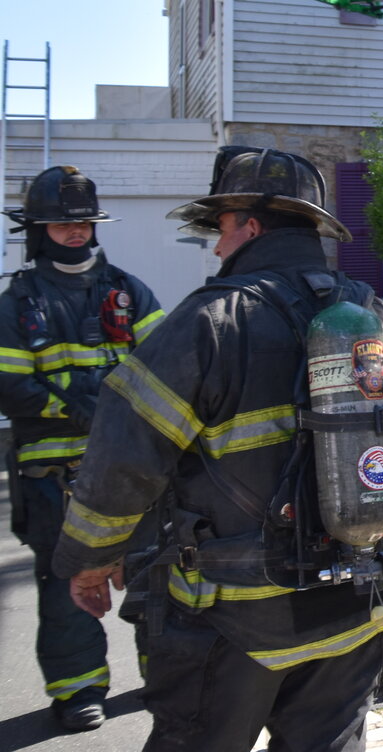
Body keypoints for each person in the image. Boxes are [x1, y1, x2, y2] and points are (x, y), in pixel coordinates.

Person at [51, 146, 383, 752]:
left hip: (236, 618)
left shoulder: (208, 322)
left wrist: (92, 559)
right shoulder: (372, 313)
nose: (216, 248)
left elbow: (123, 457)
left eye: (222, 231)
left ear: (251, 228)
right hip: (357, 602)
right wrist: (334, 489)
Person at [0, 165, 164, 731]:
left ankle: (163, 677)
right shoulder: (18, 302)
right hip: (50, 472)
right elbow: (9, 383)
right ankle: (77, 692)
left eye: (83, 223)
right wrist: (75, 409)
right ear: (38, 229)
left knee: (151, 574)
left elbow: (167, 363)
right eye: (61, 224)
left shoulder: (128, 290)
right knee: (64, 579)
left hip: (131, 468)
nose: (75, 232)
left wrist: (120, 413)